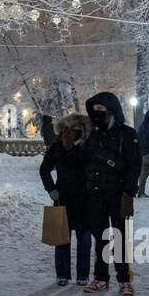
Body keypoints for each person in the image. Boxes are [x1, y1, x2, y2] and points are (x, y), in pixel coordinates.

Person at [82, 92, 141, 296]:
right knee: (100, 238)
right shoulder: (91, 134)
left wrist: (129, 192)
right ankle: (100, 278)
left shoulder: (127, 134)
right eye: (94, 109)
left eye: (101, 109)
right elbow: (84, 162)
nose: (96, 113)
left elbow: (134, 165)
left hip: (118, 194)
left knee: (120, 236)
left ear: (112, 110)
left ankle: (124, 279)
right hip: (95, 193)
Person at [40, 114, 91, 286]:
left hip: (84, 198)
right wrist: (51, 189)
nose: (71, 133)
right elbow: (44, 169)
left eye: (75, 129)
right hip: (63, 197)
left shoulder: (88, 146)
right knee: (62, 239)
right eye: (68, 130)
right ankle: (62, 274)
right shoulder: (57, 147)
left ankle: (83, 275)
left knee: (84, 239)